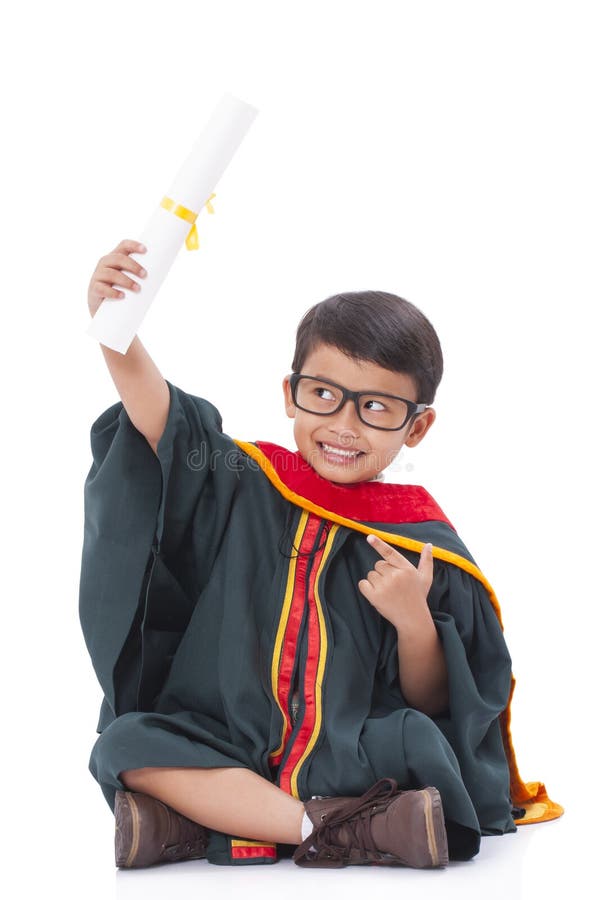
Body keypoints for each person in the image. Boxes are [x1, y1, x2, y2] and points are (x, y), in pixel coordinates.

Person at [80, 239, 560, 871]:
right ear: (290, 392)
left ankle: (206, 820)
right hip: (229, 735)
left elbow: (435, 700)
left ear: (416, 427)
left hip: (351, 750)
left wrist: (413, 620)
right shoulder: (239, 476)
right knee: (126, 742)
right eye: (324, 394)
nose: (343, 425)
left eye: (377, 407)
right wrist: (116, 330)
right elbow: (161, 422)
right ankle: (335, 826)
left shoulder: (418, 538)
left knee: (419, 748)